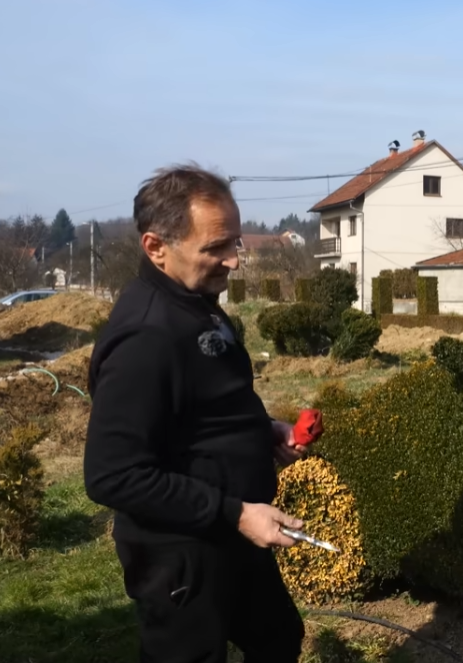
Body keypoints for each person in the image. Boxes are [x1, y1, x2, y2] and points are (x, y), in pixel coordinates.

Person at [84, 163, 307, 662]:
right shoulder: (145, 337)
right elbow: (112, 475)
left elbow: (206, 400)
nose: (232, 261)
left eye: (235, 244)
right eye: (215, 248)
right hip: (180, 553)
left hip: (235, 533)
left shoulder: (196, 300)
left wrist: (260, 430)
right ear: (156, 248)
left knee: (277, 639)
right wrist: (233, 512)